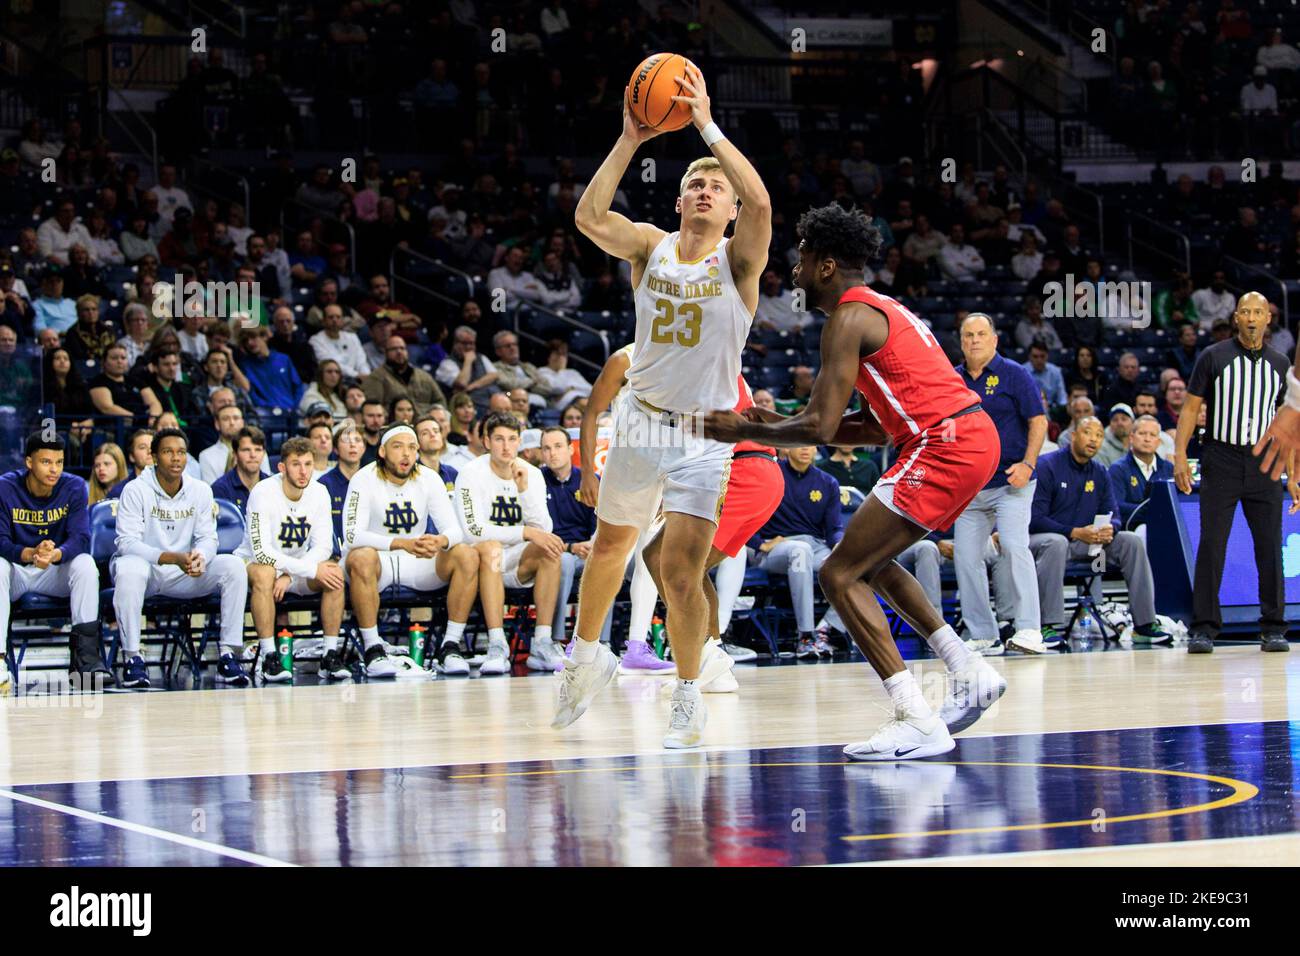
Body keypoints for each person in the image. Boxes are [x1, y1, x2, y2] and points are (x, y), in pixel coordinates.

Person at [704, 203, 1007, 759]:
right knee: (870, 561)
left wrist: (745, 428)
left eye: (800, 259)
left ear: (824, 265)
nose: (793, 271)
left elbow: (819, 426)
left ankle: (915, 716)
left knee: (838, 573)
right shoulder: (882, 308)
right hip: (963, 437)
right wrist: (771, 424)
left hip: (945, 443)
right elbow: (870, 423)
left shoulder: (847, 319)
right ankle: (969, 670)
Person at [557, 67, 773, 748]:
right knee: (610, 547)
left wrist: (706, 122)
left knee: (680, 572)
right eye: (696, 184)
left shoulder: (739, 263)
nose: (706, 191)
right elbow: (589, 218)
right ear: (680, 201)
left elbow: (765, 206)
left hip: (704, 435)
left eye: (717, 187)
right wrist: (629, 140)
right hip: (641, 420)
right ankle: (587, 659)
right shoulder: (650, 246)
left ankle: (686, 692)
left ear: (729, 209)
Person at [1182, 292, 1296, 654]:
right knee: (1212, 544)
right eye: (1245, 311)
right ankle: (1203, 627)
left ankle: (1274, 627)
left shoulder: (1281, 364)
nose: (1251, 317)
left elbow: (1289, 427)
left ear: (1268, 319)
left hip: (1264, 460)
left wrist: (1293, 476)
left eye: (1258, 312)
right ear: (1235, 318)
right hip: (1221, 457)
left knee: (1269, 547)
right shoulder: (1213, 356)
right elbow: (1189, 409)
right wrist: (1179, 455)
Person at [111, 428, 250, 688]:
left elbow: (209, 538)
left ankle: (229, 654)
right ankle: (132, 657)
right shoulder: (135, 490)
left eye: (181, 452)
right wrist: (169, 557)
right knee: (129, 568)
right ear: (153, 457)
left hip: (185, 572)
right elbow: (126, 544)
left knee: (232, 566)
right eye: (167, 452)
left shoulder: (200, 490)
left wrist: (201, 558)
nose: (176, 458)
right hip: (149, 573)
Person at [343, 424, 480, 679]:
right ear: (382, 451)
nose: (406, 454)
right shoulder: (363, 478)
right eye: (398, 447)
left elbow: (456, 530)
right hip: (378, 561)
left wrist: (440, 541)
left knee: (466, 554)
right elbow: (351, 535)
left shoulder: (429, 478)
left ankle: (449, 646)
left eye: (412, 447)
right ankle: (373, 649)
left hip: (417, 560)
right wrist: (399, 543)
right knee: (361, 556)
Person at [952, 313, 1049, 655]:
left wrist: (1028, 463)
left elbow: (1038, 422)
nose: (974, 340)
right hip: (971, 485)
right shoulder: (952, 379)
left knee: (1013, 546)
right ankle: (982, 633)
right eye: (968, 335)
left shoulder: (1015, 374)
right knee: (965, 556)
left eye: (981, 334)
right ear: (961, 342)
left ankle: (1029, 630)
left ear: (994, 339)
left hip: (1012, 481)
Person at [1028, 418, 1171, 646]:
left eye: (1098, 435)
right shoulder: (1047, 466)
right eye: (1087, 433)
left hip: (1091, 545)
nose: (1093, 439)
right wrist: (1074, 531)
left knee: (1131, 541)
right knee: (1056, 543)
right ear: (1073, 435)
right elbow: (1034, 519)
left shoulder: (1100, 472)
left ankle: (1144, 624)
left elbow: (1114, 513)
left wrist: (1109, 529)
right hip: (1048, 542)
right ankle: (1048, 626)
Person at [454, 412, 563, 675]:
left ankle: (542, 642)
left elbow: (544, 530)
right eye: (499, 439)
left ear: (519, 442)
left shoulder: (532, 474)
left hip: (517, 561)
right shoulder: (470, 473)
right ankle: (497, 644)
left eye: (512, 439)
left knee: (550, 550)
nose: (506, 446)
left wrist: (523, 490)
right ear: (487, 441)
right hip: (480, 561)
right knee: (491, 549)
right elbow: (473, 531)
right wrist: (524, 532)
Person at [0, 434, 109, 691]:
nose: (54, 469)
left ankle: (86, 661)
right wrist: (30, 553)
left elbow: (81, 538)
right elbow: (1, 541)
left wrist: (54, 554)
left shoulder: (73, 487)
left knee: (84, 564)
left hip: (53, 570)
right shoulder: (5, 487)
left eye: (59, 462)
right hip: (17, 571)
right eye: (46, 462)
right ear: (29, 462)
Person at [237, 437, 343, 683]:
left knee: (334, 574)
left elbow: (324, 546)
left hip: (294, 570)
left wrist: (290, 575)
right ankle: (269, 655)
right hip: (254, 564)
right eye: (296, 464)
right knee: (264, 572)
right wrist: (294, 571)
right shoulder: (262, 492)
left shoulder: (320, 492)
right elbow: (261, 551)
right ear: (281, 468)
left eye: (308, 464)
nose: (304, 471)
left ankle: (330, 655)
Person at [742, 444, 844, 657]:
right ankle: (805, 636)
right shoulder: (770, 475)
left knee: (858, 564)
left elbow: (834, 529)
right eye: (799, 443)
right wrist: (759, 543)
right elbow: (743, 513)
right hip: (775, 549)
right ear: (786, 448)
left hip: (815, 546)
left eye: (810, 444)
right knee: (800, 549)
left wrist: (840, 548)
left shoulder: (828, 482)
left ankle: (824, 628)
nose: (805, 449)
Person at [538, 425, 611, 665]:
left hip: (587, 548)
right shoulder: (536, 480)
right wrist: (570, 547)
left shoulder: (590, 479)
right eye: (546, 448)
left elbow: (600, 523)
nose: (552, 453)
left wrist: (589, 546)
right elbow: (538, 528)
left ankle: (600, 642)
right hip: (554, 550)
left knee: (605, 565)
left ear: (571, 449)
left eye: (558, 446)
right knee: (563, 563)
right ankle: (556, 640)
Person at [1108, 415, 1174, 532]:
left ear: (1158, 442)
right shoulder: (1118, 469)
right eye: (1142, 433)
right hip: (1131, 529)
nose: (1147, 439)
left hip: (1165, 526)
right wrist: (1152, 511)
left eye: (1152, 435)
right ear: (1132, 438)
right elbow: (1116, 506)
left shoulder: (1169, 469)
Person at [362, 334, 446, 417]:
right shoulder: (376, 377)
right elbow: (372, 407)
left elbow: (439, 400)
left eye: (402, 348)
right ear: (386, 352)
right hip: (394, 425)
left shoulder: (424, 376)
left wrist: (435, 414)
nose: (399, 352)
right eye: (394, 349)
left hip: (426, 423)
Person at [89, 343, 161, 424]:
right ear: (104, 362)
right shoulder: (98, 382)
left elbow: (154, 403)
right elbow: (107, 408)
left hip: (144, 423)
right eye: (114, 358)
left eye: (123, 358)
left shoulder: (135, 381)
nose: (119, 361)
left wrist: (153, 419)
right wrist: (137, 419)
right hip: (116, 428)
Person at [238, 326, 304, 411]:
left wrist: (294, 406)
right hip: (265, 413)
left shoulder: (283, 359)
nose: (250, 343)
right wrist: (268, 407)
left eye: (253, 337)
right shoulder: (246, 365)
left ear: (264, 337)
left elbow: (297, 386)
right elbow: (252, 393)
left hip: (291, 410)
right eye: (245, 341)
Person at [319, 420, 365, 543]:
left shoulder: (372, 481)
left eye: (357, 440)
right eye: (346, 440)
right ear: (336, 449)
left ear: (364, 448)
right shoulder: (323, 484)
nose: (352, 445)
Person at [211, 426, 268, 515]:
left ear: (264, 453)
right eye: (246, 450)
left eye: (258, 450)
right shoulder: (220, 489)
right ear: (235, 454)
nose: (253, 455)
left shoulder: (273, 486)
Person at [309, 303, 370, 380]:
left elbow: (362, 362)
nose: (335, 320)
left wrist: (366, 375)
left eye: (338, 317)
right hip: (333, 380)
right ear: (323, 321)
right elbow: (330, 364)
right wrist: (356, 375)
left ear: (342, 321)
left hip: (359, 379)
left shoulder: (352, 337)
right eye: (331, 317)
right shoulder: (315, 340)